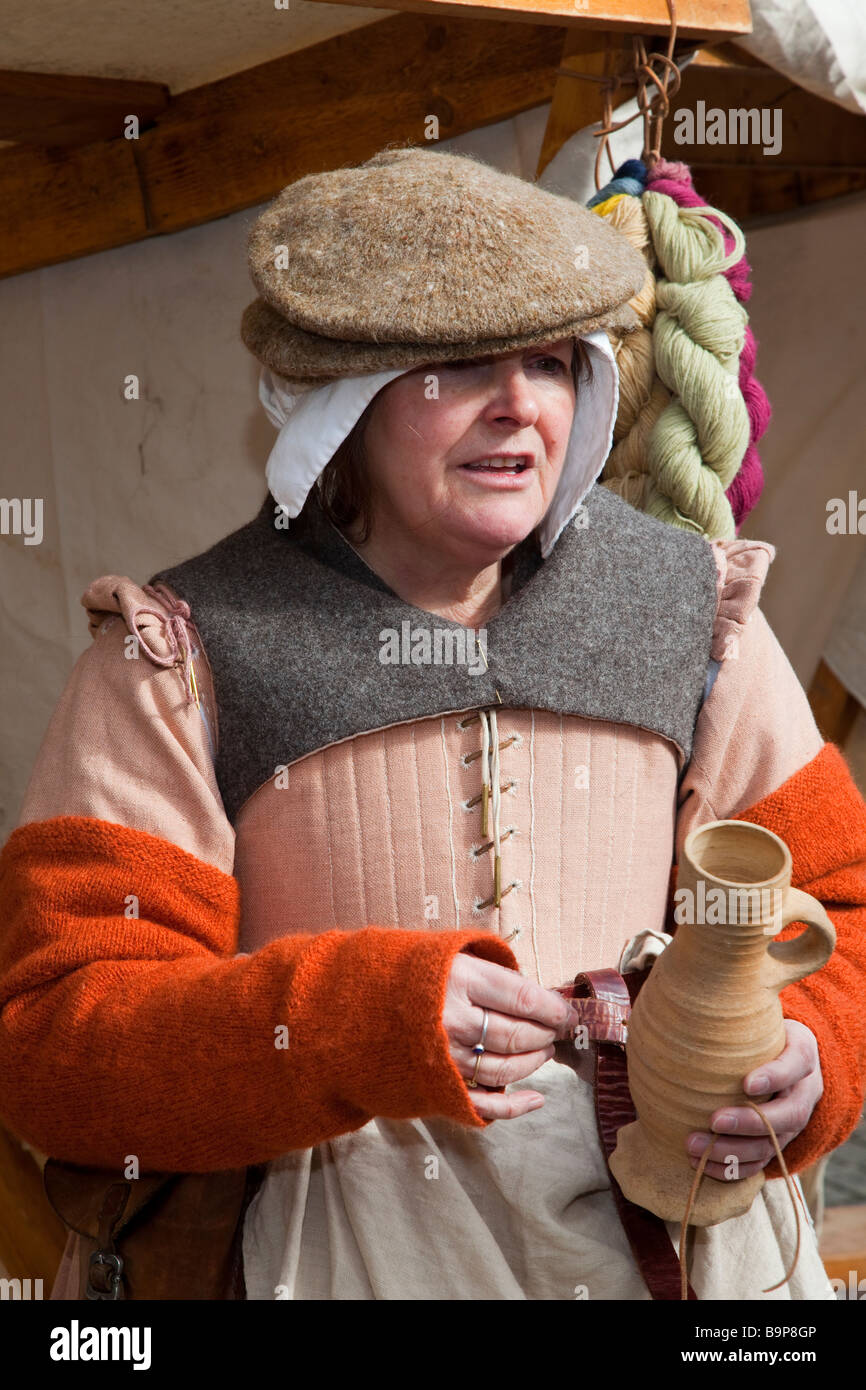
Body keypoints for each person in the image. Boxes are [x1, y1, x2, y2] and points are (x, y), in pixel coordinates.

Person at [1, 145, 865, 1301]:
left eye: (551, 363)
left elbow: (840, 907)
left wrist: (811, 1051)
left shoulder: (689, 616)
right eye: (456, 367)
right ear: (342, 401)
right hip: (344, 1258)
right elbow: (60, 1039)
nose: (518, 404)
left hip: (683, 1258)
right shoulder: (182, 654)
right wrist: (358, 1022)